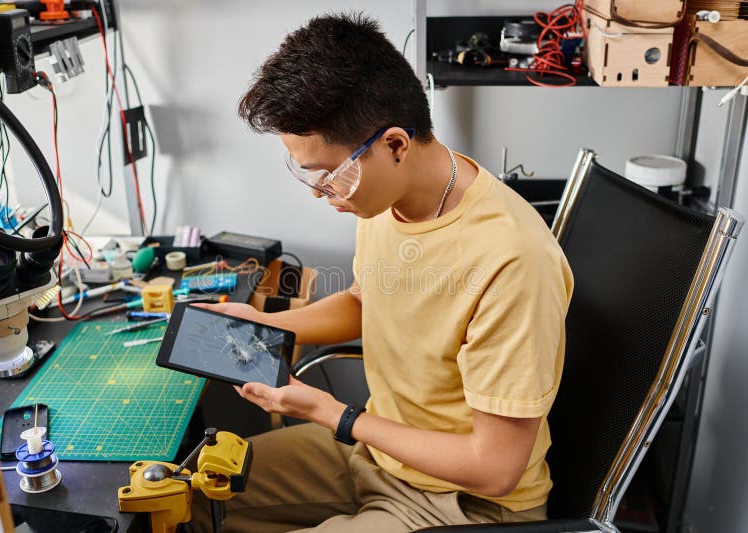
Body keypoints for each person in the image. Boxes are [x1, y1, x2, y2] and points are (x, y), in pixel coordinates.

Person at [194, 12, 574, 533]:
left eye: (329, 175)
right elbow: (365, 300)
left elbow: (495, 469)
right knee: (192, 494)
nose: (320, 192)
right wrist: (266, 327)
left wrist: (335, 415)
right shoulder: (387, 198)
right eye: (307, 173)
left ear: (395, 144)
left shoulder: (512, 260)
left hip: (461, 503)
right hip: (373, 451)